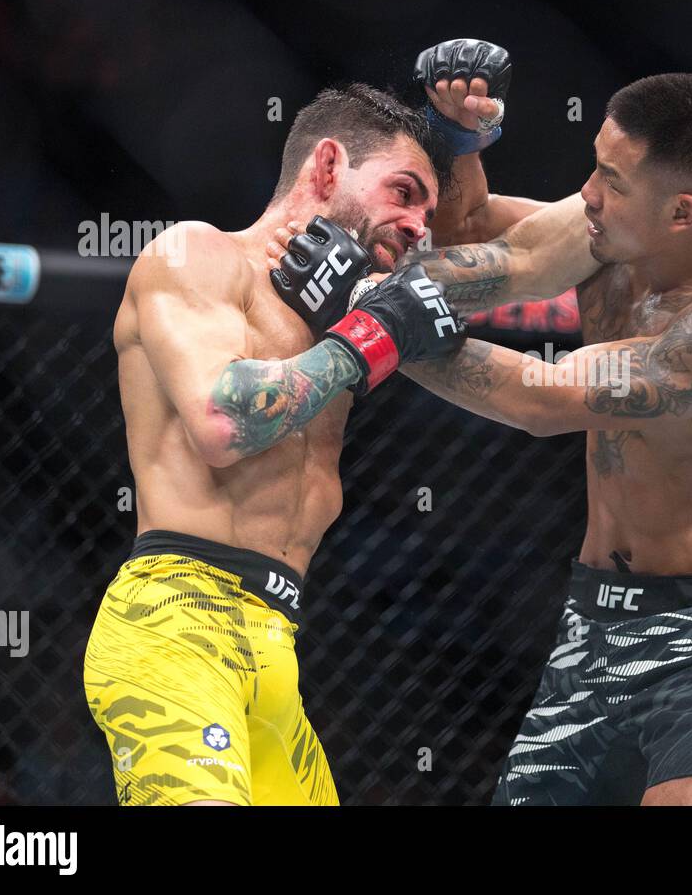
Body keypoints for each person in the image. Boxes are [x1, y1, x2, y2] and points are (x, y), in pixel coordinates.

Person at [272, 66, 692, 805]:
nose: (585, 190)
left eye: (612, 179)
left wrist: (366, 315)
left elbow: (543, 398)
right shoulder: (602, 236)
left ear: (681, 213)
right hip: (593, 623)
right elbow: (482, 241)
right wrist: (458, 142)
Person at [84, 81, 473, 805]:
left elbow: (524, 315)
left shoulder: (348, 313)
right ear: (327, 168)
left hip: (276, 645)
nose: (420, 225)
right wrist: (364, 342)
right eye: (403, 192)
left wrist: (471, 144)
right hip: (176, 623)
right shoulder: (197, 257)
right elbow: (223, 421)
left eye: (427, 210)